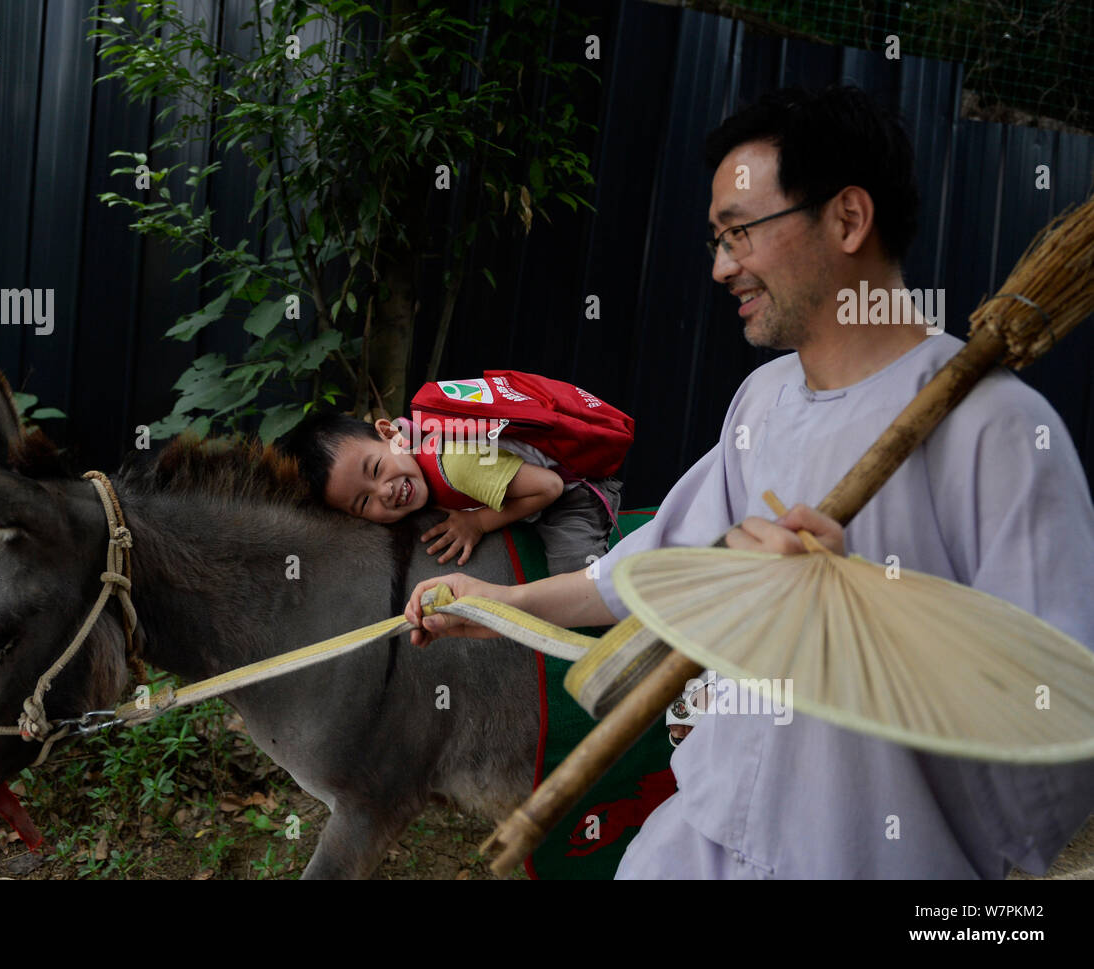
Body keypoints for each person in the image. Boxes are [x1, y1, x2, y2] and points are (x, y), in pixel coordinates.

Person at [405, 85, 1094, 879]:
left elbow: (1060, 706)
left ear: (846, 219)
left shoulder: (997, 429)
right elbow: (652, 565)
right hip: (704, 840)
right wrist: (505, 605)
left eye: (738, 234)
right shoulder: (761, 402)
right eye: (717, 239)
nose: (721, 267)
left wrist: (862, 602)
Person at [285, 412, 622, 574]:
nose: (384, 491)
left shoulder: (455, 463)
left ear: (389, 433)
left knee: (579, 579)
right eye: (364, 502)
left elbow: (549, 488)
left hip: (572, 490)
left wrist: (478, 524)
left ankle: (664, 663)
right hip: (523, 487)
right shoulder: (410, 454)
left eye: (374, 470)